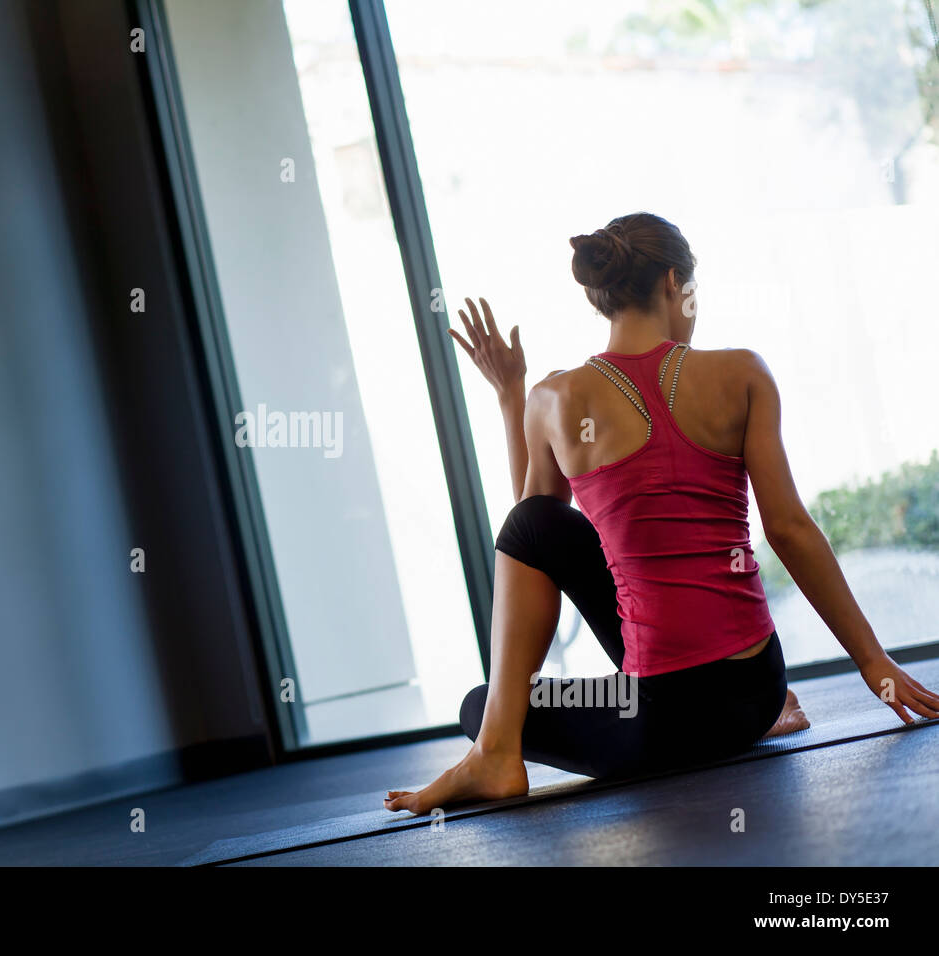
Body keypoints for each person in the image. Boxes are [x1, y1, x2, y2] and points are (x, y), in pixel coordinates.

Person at [384, 212, 939, 814]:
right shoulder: (743, 372)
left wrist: (513, 397)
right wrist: (873, 661)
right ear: (675, 283)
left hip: (660, 718)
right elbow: (789, 528)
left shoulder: (555, 398)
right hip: (755, 690)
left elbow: (530, 527)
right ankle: (760, 712)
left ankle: (494, 752)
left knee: (484, 701)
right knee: (543, 536)